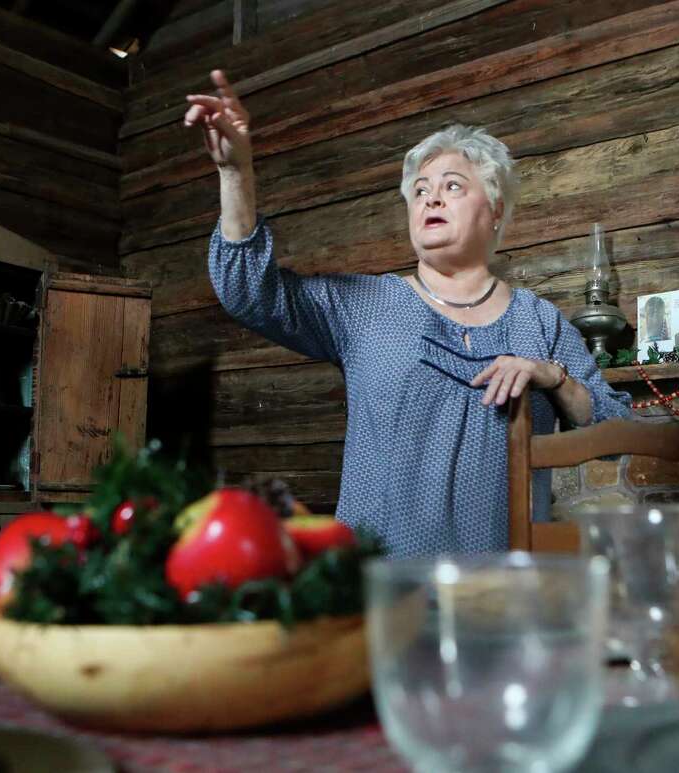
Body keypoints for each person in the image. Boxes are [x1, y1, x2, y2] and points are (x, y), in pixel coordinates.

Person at [184, 70, 631, 557]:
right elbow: (248, 291)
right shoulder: (363, 305)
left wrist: (553, 377)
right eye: (420, 191)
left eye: (453, 186)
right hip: (381, 584)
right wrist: (235, 173)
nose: (431, 197)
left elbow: (614, 434)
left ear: (496, 210)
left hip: (499, 590)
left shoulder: (539, 323)